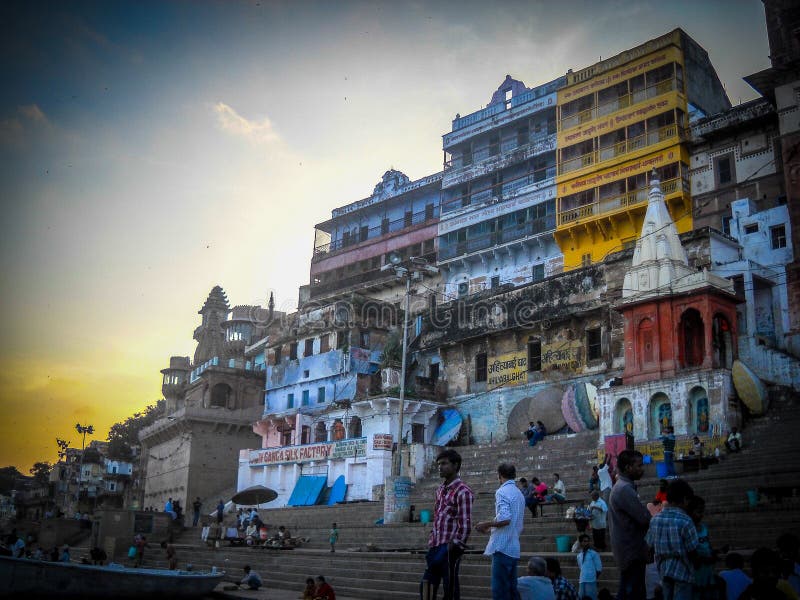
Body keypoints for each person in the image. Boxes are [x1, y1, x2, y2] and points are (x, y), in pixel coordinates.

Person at [420, 449, 474, 600]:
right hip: (435, 545)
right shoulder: (440, 490)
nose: (440, 467)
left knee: (450, 588)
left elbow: (465, 524)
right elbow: (438, 517)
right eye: (439, 464)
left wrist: (455, 545)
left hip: (450, 548)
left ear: (455, 465)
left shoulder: (463, 491)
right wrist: (432, 541)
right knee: (427, 585)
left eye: (444, 464)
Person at [475, 463, 526, 600]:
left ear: (499, 476)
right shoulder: (519, 494)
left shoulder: (502, 492)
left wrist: (485, 523)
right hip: (514, 547)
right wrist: (491, 527)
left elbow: (505, 519)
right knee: (511, 590)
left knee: (500, 592)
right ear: (514, 476)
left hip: (502, 547)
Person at [645, 478, 698, 600]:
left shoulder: (655, 520)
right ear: (685, 500)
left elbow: (648, 547)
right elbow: (693, 551)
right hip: (683, 573)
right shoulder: (686, 521)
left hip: (663, 572)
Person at [608, 449, 651, 600]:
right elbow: (644, 518)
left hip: (629, 550)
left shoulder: (624, 487)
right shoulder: (624, 489)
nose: (642, 469)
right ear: (628, 467)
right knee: (633, 593)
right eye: (639, 465)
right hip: (631, 551)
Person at [576, 533, 602, 600]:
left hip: (591, 581)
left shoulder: (594, 554)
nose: (587, 543)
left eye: (588, 541)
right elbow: (580, 567)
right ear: (581, 543)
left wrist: (593, 577)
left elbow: (599, 569)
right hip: (582, 579)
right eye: (584, 541)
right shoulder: (579, 556)